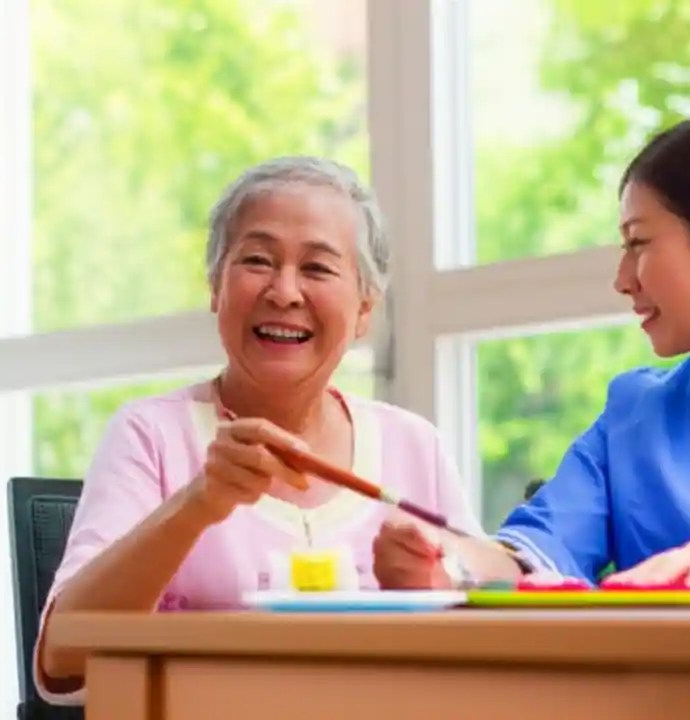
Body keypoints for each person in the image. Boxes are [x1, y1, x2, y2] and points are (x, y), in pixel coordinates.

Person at [34, 156, 480, 705]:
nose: (284, 292)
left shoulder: (414, 444)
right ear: (215, 288)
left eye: (317, 268)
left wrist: (446, 576)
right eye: (257, 261)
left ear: (365, 308)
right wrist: (199, 503)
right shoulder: (150, 434)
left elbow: (490, 612)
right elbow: (63, 656)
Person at [373, 111, 690, 591]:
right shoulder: (635, 412)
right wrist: (446, 561)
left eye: (639, 243)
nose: (622, 280)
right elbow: (537, 551)